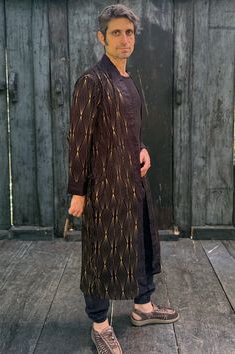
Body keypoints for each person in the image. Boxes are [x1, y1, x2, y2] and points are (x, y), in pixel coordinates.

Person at [67, 4, 179, 354]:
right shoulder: (91, 81)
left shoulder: (127, 79)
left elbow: (126, 128)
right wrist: (78, 192)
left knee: (143, 242)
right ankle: (100, 324)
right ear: (102, 38)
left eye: (129, 32)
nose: (124, 39)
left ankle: (143, 307)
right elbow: (79, 140)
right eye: (116, 32)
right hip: (104, 187)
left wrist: (142, 147)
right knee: (103, 253)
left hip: (134, 181)